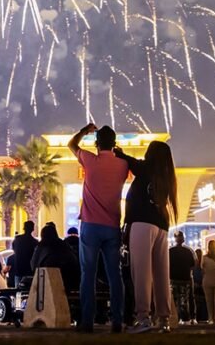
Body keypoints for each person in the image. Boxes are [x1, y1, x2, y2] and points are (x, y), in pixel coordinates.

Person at [68, 123, 129, 333]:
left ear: (96, 143)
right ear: (114, 144)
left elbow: (71, 144)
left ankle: (87, 321)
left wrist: (84, 130)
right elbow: (127, 160)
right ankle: (118, 321)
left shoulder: (89, 160)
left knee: (88, 274)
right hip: (112, 226)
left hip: (90, 226)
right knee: (115, 275)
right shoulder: (123, 164)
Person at [116, 140, 177, 333]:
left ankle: (143, 318)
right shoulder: (166, 176)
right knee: (161, 274)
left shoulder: (147, 168)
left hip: (142, 224)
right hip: (162, 226)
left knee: (141, 273)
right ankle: (164, 319)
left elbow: (134, 163)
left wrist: (120, 153)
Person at [31, 222, 81, 291]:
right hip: (69, 282)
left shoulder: (41, 247)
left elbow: (34, 265)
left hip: (46, 282)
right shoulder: (64, 245)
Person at [169, 231, 197, 323]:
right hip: (185, 279)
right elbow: (193, 265)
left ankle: (174, 317)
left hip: (173, 279)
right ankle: (186, 318)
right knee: (185, 300)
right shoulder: (189, 251)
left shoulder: (170, 251)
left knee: (174, 300)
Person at [12, 221, 39, 288]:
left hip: (18, 270)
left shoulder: (17, 239)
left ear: (24, 228)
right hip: (29, 271)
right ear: (33, 229)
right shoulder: (35, 242)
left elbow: (14, 250)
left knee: (18, 291)